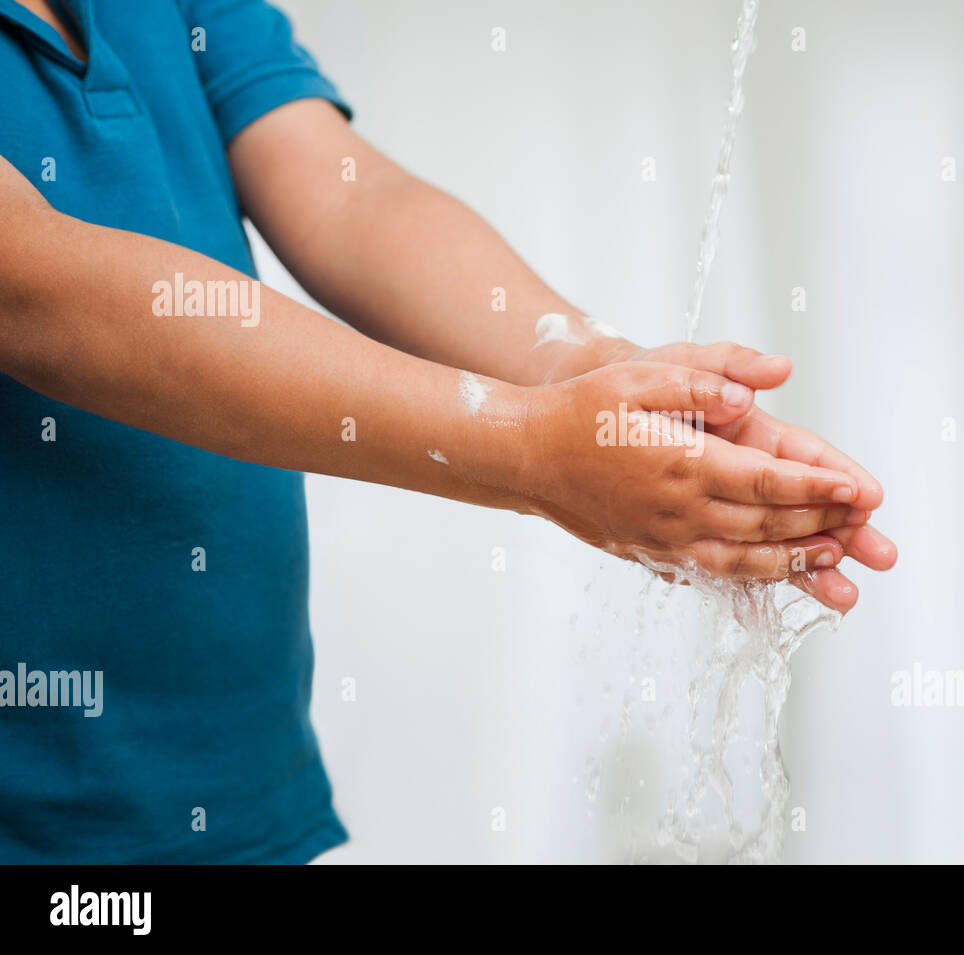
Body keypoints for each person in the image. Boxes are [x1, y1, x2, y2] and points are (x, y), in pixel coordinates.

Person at [0, 0, 896, 862]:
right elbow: (38, 289)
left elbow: (348, 197)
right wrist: (533, 449)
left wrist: (599, 372)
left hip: (228, 790)